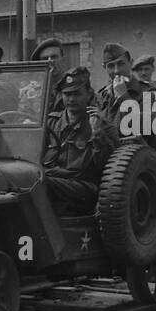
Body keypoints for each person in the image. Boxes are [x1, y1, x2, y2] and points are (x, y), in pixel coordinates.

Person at [41, 66, 108, 212]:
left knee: (39, 183)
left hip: (83, 187)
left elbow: (106, 166)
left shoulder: (100, 124)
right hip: (55, 182)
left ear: (89, 95)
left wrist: (97, 133)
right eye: (67, 94)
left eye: (77, 94)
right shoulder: (51, 122)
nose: (71, 99)